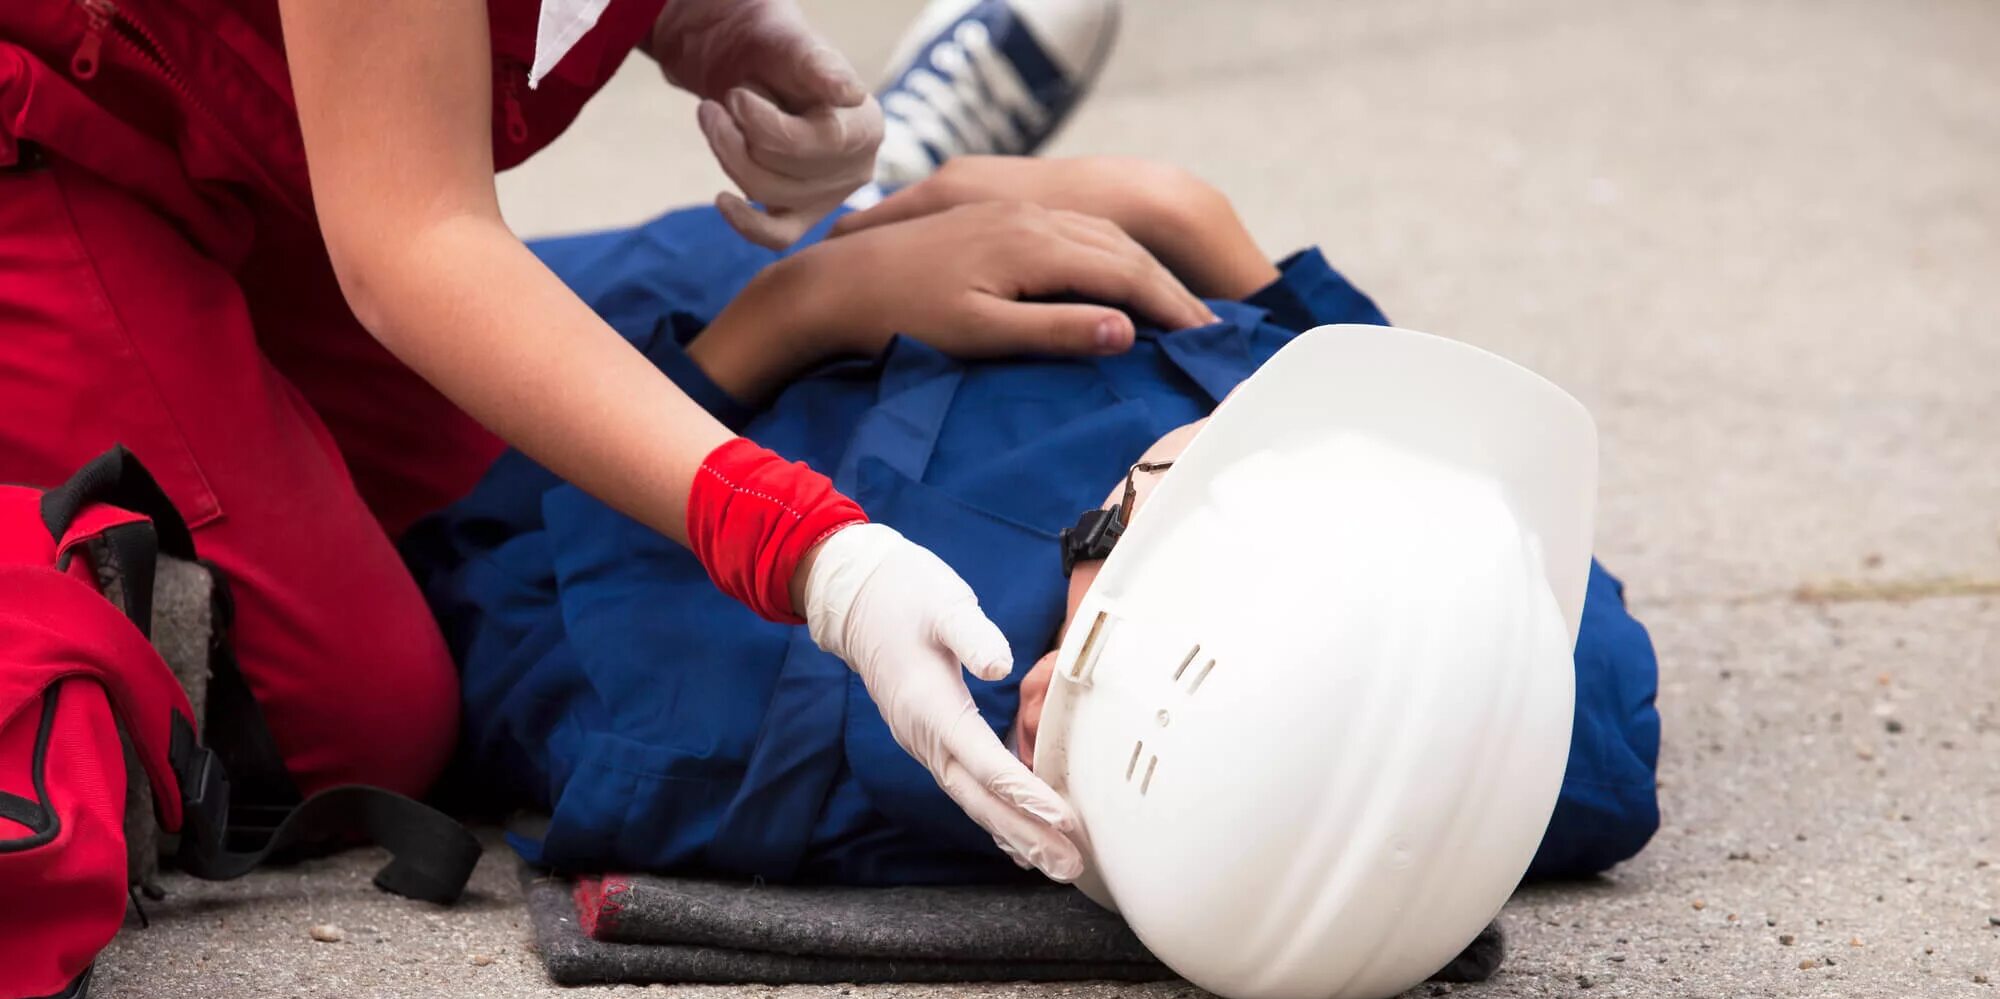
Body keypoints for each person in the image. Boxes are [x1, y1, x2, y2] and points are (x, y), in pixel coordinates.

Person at [0, 0, 1115, 884]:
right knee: (348, 719)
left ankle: (841, 230)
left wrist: (690, 17)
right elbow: (414, 244)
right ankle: (814, 250)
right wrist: (816, 555)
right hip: (62, 137)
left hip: (272, 139)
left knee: (509, 508)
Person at [409, 156, 1663, 886]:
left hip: (704, 343)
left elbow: (487, 537)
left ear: (1059, 682)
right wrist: (1187, 223)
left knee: (391, 293)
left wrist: (793, 309)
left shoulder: (721, 738)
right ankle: (936, 165)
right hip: (1039, 258)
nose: (1224, 429)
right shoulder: (1554, 709)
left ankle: (896, 165)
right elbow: (1408, 430)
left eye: (1159, 506)